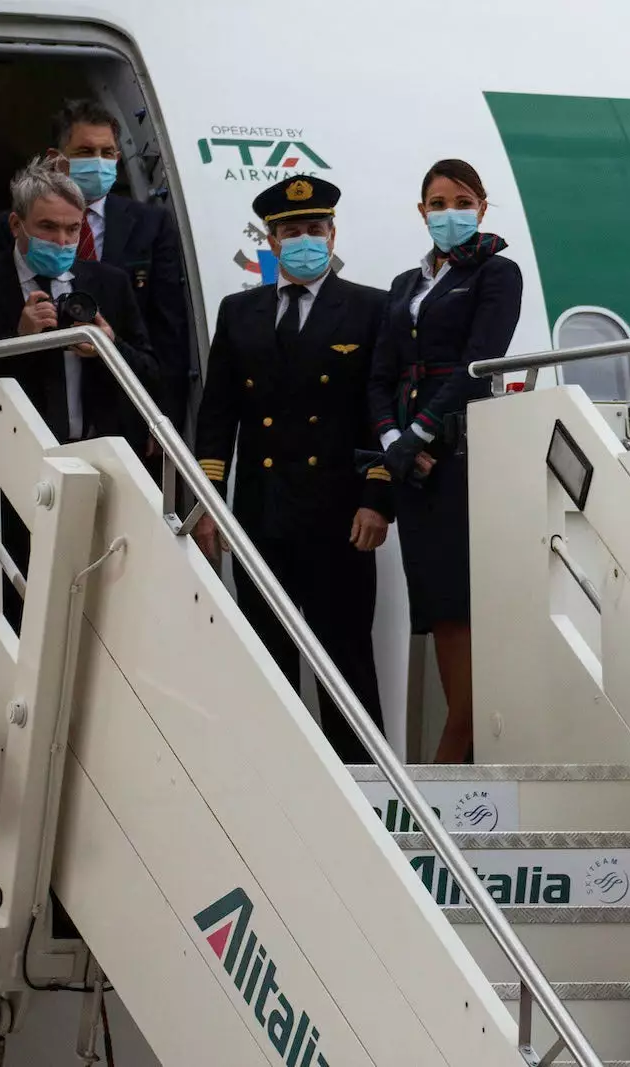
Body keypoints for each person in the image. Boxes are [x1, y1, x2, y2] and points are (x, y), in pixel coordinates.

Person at [193, 175, 393, 764]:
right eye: (290, 231)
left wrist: (378, 498)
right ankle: (273, 784)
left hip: (341, 518)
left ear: (332, 234)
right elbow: (218, 414)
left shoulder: (370, 308)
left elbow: (382, 413)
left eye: (314, 229)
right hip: (263, 515)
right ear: (271, 240)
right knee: (266, 662)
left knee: (346, 664)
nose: (303, 239)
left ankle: (367, 795)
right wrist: (208, 499)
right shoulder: (239, 312)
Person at [369, 159, 524, 764]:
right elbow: (380, 375)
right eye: (437, 202)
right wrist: (393, 442)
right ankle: (461, 729)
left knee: (461, 597)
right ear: (421, 211)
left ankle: (459, 735)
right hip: (411, 460)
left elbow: (479, 362)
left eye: (462, 200)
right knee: (435, 603)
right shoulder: (407, 284)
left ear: (482, 207)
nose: (449, 211)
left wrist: (422, 436)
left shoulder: (496, 273)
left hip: (458, 453)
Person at [0, 157, 160, 632]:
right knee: (18, 604)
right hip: (9, 470)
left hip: (93, 460)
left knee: (98, 607)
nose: (61, 242)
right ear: (17, 224)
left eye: (72, 230)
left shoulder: (107, 283)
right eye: (47, 228)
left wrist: (108, 349)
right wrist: (17, 337)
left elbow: (152, 372)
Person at [0, 98, 193, 442]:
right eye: (85, 151)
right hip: (27, 415)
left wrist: (162, 420)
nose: (98, 162)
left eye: (108, 153)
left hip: (114, 413)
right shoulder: (5, 232)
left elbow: (167, 331)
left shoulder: (150, 224)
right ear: (57, 157)